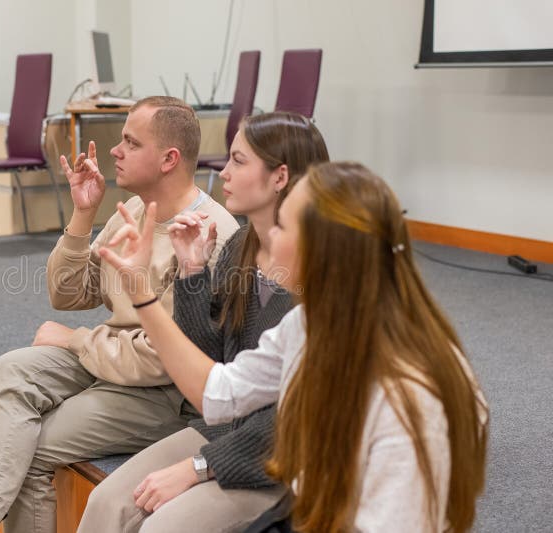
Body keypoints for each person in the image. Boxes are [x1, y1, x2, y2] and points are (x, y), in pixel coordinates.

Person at [98, 161, 489, 532]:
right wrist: (142, 293)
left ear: (320, 251)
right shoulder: (308, 324)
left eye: (281, 226)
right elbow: (217, 392)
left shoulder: (408, 396)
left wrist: (201, 467)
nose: (268, 235)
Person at [0, 96, 240, 533]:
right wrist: (83, 215)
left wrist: (74, 340)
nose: (115, 151)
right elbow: (68, 294)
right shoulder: (134, 210)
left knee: (27, 448)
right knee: (11, 368)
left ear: (169, 159)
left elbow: (160, 359)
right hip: (111, 357)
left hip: (163, 393)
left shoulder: (208, 234)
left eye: (131, 143)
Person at [78, 112, 329, 532]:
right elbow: (208, 370)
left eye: (238, 161)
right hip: (226, 429)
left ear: (280, 176)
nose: (223, 172)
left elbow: (298, 419)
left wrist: (201, 466)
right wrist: (193, 272)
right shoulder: (240, 246)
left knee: (163, 527)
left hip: (284, 456)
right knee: (106, 502)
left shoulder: (319, 277)